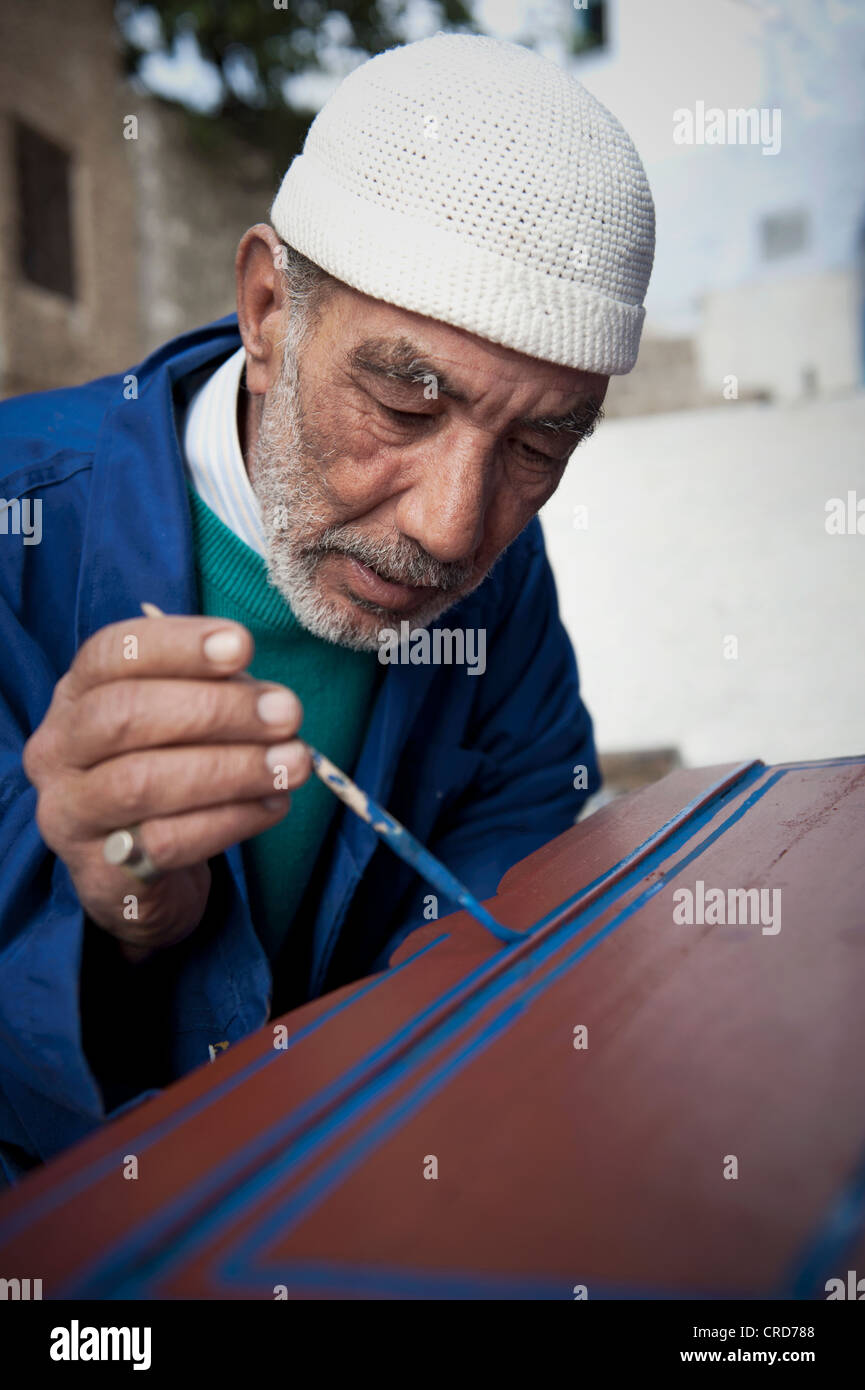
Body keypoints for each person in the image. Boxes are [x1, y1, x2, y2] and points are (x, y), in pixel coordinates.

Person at [0, 34, 654, 1183]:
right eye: (406, 400)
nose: (454, 527)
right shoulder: (19, 525)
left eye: (541, 441)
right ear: (265, 311)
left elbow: (517, 888)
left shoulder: (503, 584)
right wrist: (123, 915)